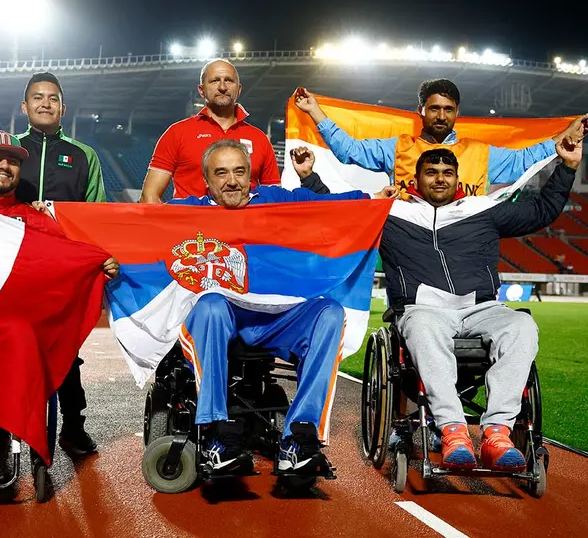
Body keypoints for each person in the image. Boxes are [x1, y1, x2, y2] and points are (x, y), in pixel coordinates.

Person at [303, 137, 581, 471]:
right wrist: (309, 177)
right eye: (431, 172)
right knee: (422, 326)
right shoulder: (392, 212)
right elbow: (339, 214)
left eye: (448, 172)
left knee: (522, 325)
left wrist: (567, 167)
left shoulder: (482, 209)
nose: (440, 178)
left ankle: (497, 432)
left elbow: (542, 211)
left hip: (480, 308)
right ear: (416, 179)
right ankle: (453, 430)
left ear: (457, 178)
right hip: (423, 310)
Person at [167, 139, 396, 473]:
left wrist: (374, 201)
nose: (232, 180)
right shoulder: (186, 212)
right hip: (223, 317)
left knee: (329, 313)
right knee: (212, 304)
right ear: (207, 181)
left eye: (239, 171)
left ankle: (299, 439)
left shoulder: (278, 201)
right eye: (222, 173)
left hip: (280, 318)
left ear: (250, 176)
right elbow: (137, 233)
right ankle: (218, 433)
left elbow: (332, 208)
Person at [0, 130, 119, 483]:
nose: (4, 165)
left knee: (18, 331)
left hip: (8, 329)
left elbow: (72, 260)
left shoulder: (39, 221)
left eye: (12, 160)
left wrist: (100, 264)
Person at [0, 72, 107, 457]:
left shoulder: (84, 156)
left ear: (62, 108)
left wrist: (90, 255)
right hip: (4, 260)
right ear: (25, 106)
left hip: (57, 258)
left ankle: (74, 425)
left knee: (67, 347)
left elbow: (96, 212)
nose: (46, 103)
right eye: (38, 97)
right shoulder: (7, 151)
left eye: (53, 98)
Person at [293, 79, 587, 196]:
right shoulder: (398, 148)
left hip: (464, 249)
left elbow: (526, 159)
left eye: (448, 110)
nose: (441, 116)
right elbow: (350, 150)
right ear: (420, 110)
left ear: (457, 112)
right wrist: (316, 112)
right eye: (434, 108)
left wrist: (563, 137)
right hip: (410, 249)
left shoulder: (481, 153)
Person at [141, 58, 281, 203]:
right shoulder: (177, 133)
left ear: (238, 89)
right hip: (192, 224)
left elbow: (274, 199)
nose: (222, 87)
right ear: (201, 90)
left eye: (229, 80)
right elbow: (149, 197)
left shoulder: (259, 138)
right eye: (214, 81)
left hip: (244, 224)